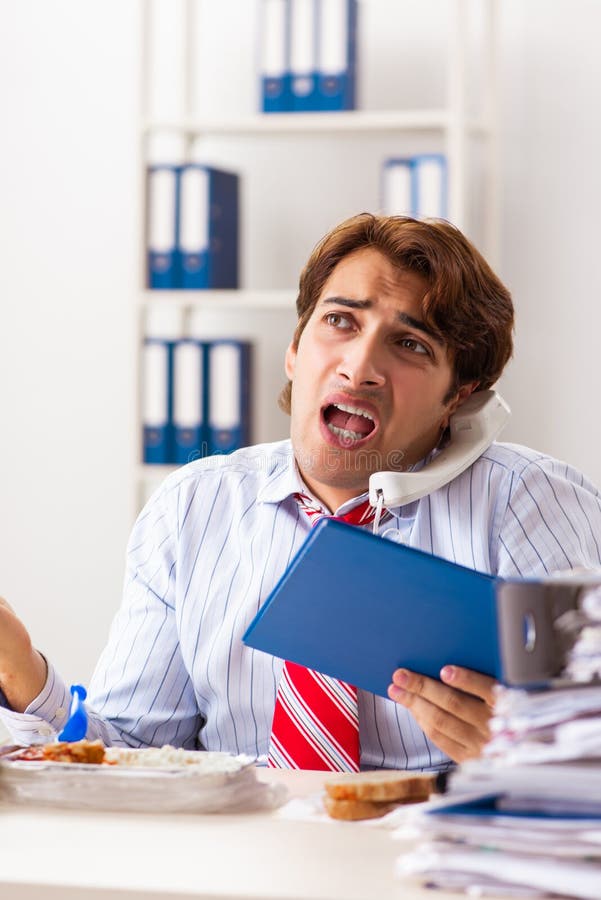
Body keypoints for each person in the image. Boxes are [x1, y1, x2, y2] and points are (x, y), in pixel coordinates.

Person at [1, 213, 601, 771]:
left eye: (411, 344)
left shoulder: (531, 504)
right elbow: (134, 755)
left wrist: (533, 751)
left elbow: (585, 756)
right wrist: (23, 670)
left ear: (458, 397)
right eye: (340, 321)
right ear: (294, 350)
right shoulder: (192, 507)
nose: (359, 367)